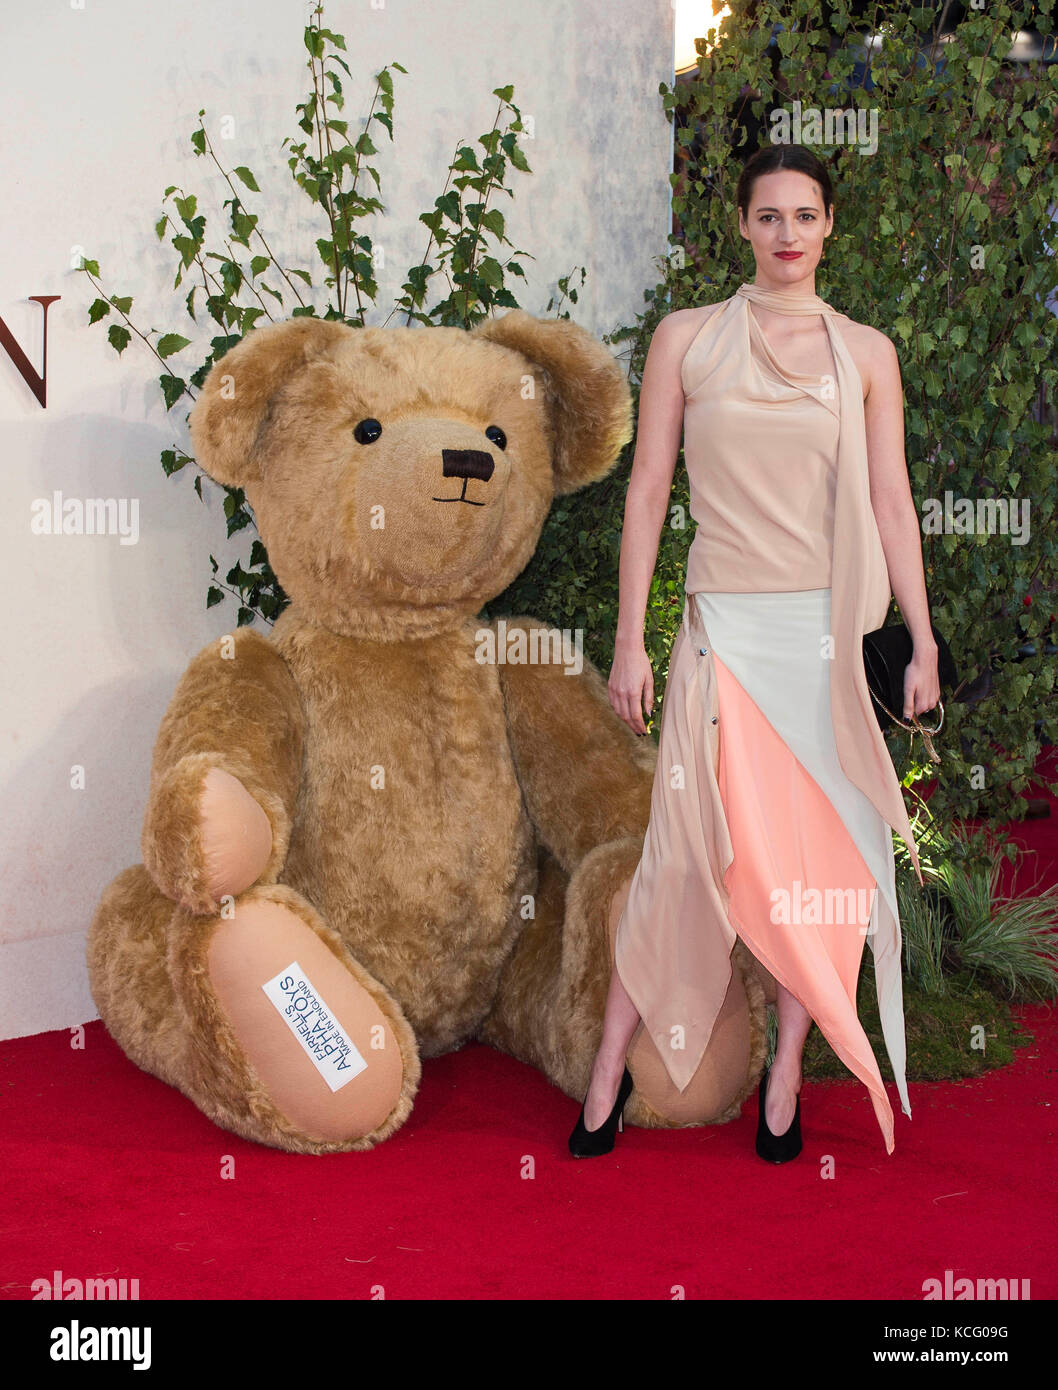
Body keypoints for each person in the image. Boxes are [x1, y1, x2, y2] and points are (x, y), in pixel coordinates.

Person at [568, 142, 940, 1162]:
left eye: (804, 216)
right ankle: (607, 1068)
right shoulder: (686, 340)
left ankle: (784, 1074)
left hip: (820, 644)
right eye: (767, 216)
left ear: (828, 227)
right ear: (740, 225)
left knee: (810, 868)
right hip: (718, 634)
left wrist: (920, 639)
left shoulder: (863, 354)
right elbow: (646, 493)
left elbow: (889, 500)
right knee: (679, 862)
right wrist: (630, 640)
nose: (785, 235)